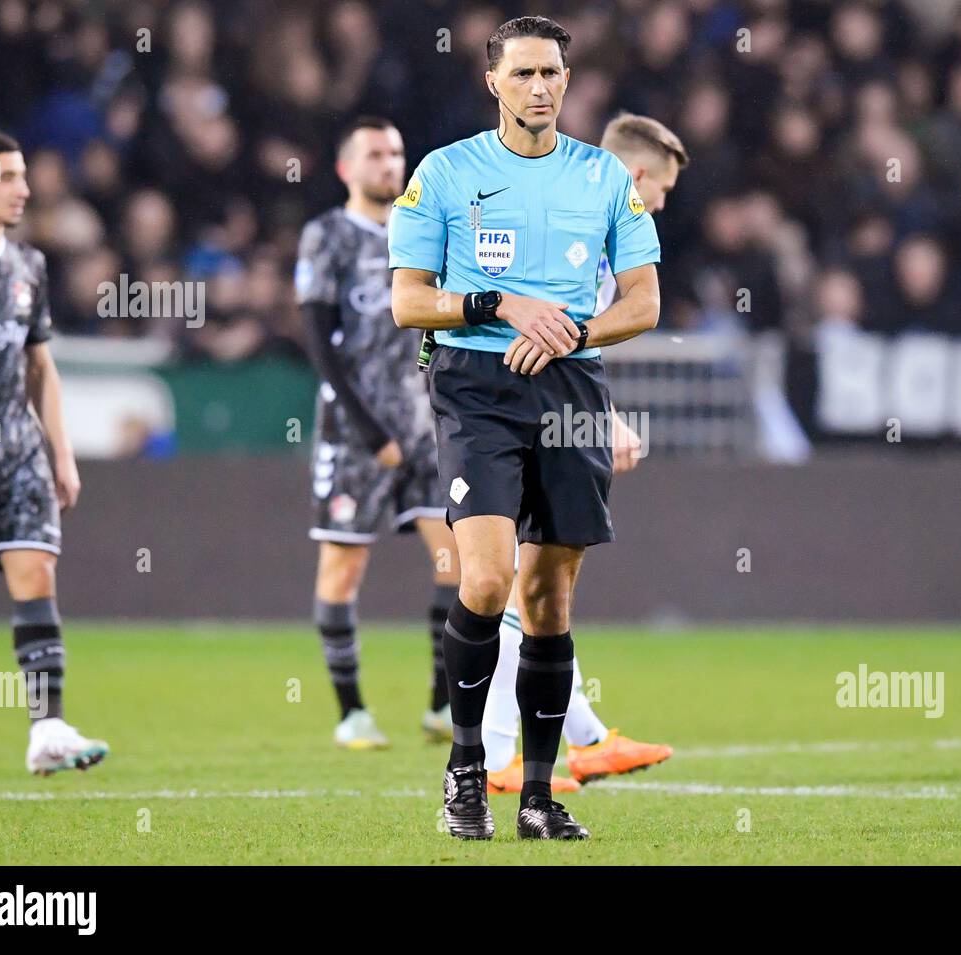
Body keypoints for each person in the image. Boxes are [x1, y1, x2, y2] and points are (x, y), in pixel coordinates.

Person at [388, 16, 661, 840]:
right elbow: (408, 302)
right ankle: (466, 768)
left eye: (552, 73)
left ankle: (538, 795)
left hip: (571, 384)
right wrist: (501, 304)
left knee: (550, 597)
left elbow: (643, 303)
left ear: (568, 82)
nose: (540, 87)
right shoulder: (445, 173)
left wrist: (572, 330)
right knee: (485, 579)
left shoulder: (604, 177)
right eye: (524, 74)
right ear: (493, 83)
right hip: (476, 384)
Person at [482, 113, 689, 794]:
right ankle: (495, 756)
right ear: (635, 177)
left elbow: (577, 339)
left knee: (545, 583)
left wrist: (603, 414)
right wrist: (602, 418)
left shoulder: (591, 223)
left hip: (537, 401)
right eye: (659, 191)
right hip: (502, 405)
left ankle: (588, 739)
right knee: (522, 583)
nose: (660, 205)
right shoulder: (573, 219)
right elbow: (544, 328)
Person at [0, 130, 108, 778]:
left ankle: (48, 728)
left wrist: (61, 454)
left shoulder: (28, 267)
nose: (24, 188)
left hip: (18, 454)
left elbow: (41, 365)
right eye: (8, 176)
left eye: (22, 175)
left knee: (37, 576)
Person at [295, 117, 459, 750]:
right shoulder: (328, 236)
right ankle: (351, 713)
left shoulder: (424, 231)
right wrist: (369, 429)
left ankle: (442, 705)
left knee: (457, 562)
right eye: (374, 154)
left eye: (396, 151)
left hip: (422, 426)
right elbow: (318, 343)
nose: (390, 163)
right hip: (352, 434)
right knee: (342, 567)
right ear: (346, 168)